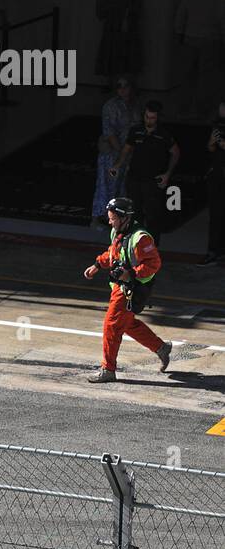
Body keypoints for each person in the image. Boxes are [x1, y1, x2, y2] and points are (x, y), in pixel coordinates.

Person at [84, 197, 172, 383]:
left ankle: (108, 369)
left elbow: (153, 264)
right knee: (126, 323)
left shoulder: (141, 239)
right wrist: (98, 265)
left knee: (112, 325)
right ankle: (161, 348)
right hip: (120, 286)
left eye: (113, 218)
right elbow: (113, 253)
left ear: (125, 218)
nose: (110, 222)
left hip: (132, 288)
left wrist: (130, 274)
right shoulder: (118, 231)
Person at [110, 100, 179, 243]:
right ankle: (135, 244)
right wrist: (117, 165)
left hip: (153, 179)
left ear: (158, 118)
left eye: (152, 118)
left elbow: (176, 152)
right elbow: (126, 150)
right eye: (147, 117)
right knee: (134, 212)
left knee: (153, 214)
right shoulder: (136, 130)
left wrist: (167, 174)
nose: (149, 120)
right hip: (135, 177)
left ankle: (152, 246)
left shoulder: (164, 134)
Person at [92, 77, 137, 228]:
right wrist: (120, 154)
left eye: (126, 85)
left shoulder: (134, 105)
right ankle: (99, 218)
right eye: (119, 86)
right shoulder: (111, 106)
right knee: (107, 186)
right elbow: (109, 132)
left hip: (127, 152)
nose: (123, 89)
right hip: (112, 154)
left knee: (121, 187)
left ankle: (118, 219)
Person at [202, 100, 225, 266]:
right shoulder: (217, 126)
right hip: (217, 176)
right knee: (215, 215)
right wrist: (212, 142)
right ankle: (213, 251)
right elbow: (210, 149)